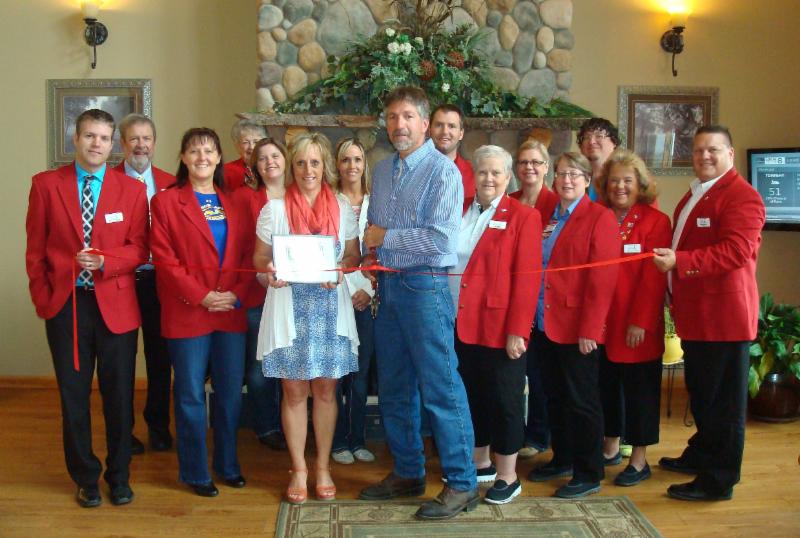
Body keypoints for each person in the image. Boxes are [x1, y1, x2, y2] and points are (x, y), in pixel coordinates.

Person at [358, 86, 478, 520]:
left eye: (407, 116)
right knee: (393, 387)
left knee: (441, 388)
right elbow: (373, 230)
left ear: (425, 123)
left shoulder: (444, 173)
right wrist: (372, 255)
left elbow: (441, 241)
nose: (399, 125)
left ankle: (463, 483)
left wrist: (384, 239)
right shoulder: (385, 170)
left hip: (425, 289)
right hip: (388, 289)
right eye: (392, 117)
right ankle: (408, 471)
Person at [25, 109, 149, 507]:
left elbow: (139, 249)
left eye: (104, 138)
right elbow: (35, 250)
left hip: (116, 306)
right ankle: (86, 477)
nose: (97, 144)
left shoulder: (130, 191)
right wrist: (45, 299)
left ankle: (120, 475)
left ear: (114, 145)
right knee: (73, 397)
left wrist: (107, 262)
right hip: (67, 307)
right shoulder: (46, 185)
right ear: (75, 140)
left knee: (119, 397)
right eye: (90, 136)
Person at [653, 125, 765, 501]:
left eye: (713, 150)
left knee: (723, 406)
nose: (704, 156)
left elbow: (736, 252)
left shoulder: (742, 196)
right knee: (702, 396)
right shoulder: (695, 193)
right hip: (699, 317)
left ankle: (718, 480)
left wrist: (679, 263)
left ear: (730, 154)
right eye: (699, 150)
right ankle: (701, 454)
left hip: (725, 319)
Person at [253, 132, 360, 504]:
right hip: (289, 309)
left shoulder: (343, 208)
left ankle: (323, 467)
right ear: (291, 167)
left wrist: (342, 268)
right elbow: (258, 260)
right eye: (300, 163)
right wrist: (268, 270)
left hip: (330, 309)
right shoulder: (276, 209)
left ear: (325, 166)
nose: (308, 170)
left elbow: (352, 255)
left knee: (327, 390)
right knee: (295, 391)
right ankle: (299, 468)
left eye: (315, 162)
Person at [150, 128, 250, 497]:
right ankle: (194, 471)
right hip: (188, 311)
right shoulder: (164, 203)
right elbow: (165, 261)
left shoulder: (236, 202)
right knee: (191, 394)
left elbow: (246, 259)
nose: (202, 157)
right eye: (194, 151)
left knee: (229, 394)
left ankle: (228, 464)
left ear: (220, 157)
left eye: (209, 150)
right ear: (183, 157)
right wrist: (202, 295)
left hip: (230, 311)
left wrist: (234, 295)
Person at [451, 145, 542, 504]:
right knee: (473, 396)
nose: (488, 179)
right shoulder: (461, 210)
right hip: (461, 322)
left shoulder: (523, 217)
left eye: (496, 173)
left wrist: (519, 330)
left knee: (505, 400)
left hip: (501, 326)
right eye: (483, 172)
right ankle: (481, 461)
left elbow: (527, 279)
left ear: (509, 177)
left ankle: (508, 475)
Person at [526, 152, 620, 499]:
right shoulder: (547, 217)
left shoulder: (599, 217)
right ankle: (562, 457)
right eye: (561, 174)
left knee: (582, 401)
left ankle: (588, 471)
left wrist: (591, 329)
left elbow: (603, 278)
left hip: (577, 327)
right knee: (554, 396)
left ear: (587, 179)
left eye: (574, 174)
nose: (566, 180)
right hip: (544, 322)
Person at [595, 149, 671, 486]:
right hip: (603, 324)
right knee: (607, 387)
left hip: (637, 323)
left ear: (641, 185)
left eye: (627, 181)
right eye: (614, 181)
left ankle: (639, 459)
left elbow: (654, 278)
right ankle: (610, 446)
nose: (620, 187)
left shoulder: (657, 222)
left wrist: (640, 320)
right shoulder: (598, 215)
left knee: (640, 392)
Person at [114, 113, 174, 454]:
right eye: (133, 139)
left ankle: (158, 425)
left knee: (159, 356)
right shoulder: (107, 182)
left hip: (158, 282)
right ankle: (123, 431)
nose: (140, 145)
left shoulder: (169, 182)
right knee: (121, 358)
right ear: (122, 144)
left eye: (146, 139)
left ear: (154, 143)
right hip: (120, 282)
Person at [232, 137, 288, 451]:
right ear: (255, 166)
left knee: (291, 366)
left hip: (295, 296)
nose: (269, 163)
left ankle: (292, 423)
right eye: (262, 158)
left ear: (285, 158)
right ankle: (266, 426)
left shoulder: (300, 195)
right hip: (259, 295)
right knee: (258, 371)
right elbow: (242, 248)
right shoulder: (245, 198)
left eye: (275, 155)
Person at [509, 138, 558, 460]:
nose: (529, 168)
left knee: (540, 375)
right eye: (524, 162)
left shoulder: (556, 203)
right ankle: (511, 435)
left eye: (536, 162)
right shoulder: (508, 200)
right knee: (512, 375)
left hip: (544, 302)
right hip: (510, 298)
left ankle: (540, 435)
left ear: (546, 167)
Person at [331, 138, 377, 465]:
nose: (352, 166)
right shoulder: (328, 203)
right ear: (337, 164)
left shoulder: (377, 204)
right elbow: (330, 253)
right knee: (335, 376)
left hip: (368, 300)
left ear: (364, 164)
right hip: (335, 298)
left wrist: (369, 291)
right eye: (345, 159)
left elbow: (380, 255)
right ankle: (336, 442)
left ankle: (357, 438)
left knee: (360, 376)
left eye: (357, 159)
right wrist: (347, 290)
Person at [429, 104, 476, 201]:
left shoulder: (474, 174)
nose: (445, 132)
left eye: (451, 126)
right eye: (439, 125)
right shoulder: (415, 170)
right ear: (429, 130)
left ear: (461, 134)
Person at [577, 118, 619, 202]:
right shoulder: (573, 177)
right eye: (586, 137)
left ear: (614, 142)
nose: (591, 141)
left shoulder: (623, 176)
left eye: (599, 136)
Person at [223, 119, 267, 190]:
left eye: (256, 142)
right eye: (245, 142)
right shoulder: (226, 171)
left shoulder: (271, 167)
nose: (251, 147)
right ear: (238, 146)